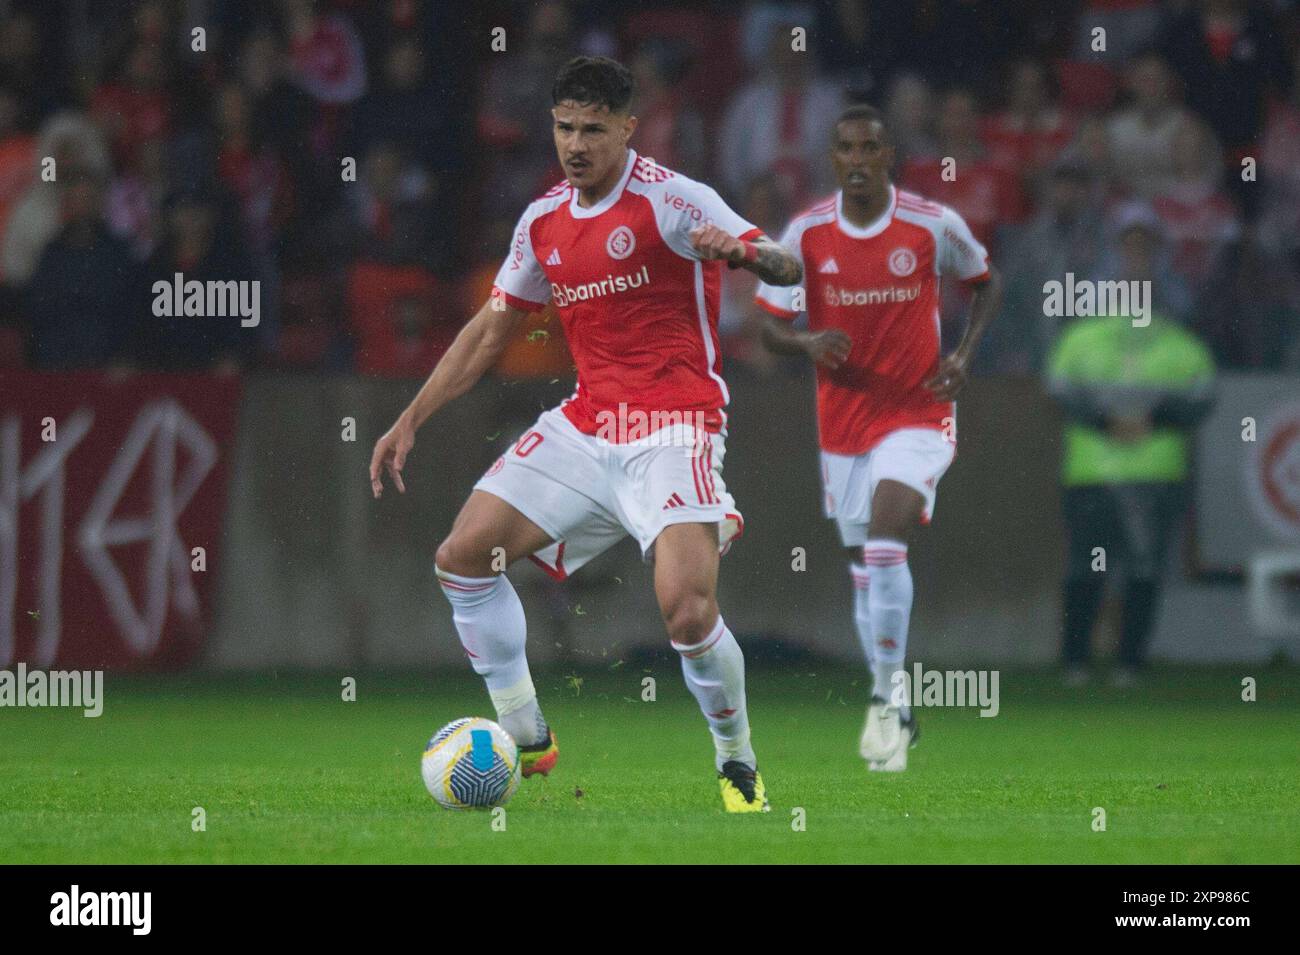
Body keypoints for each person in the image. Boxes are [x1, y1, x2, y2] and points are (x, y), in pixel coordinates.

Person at [368, 57, 801, 812]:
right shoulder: (542, 221)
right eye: (565, 127)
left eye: (593, 130)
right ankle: (526, 734)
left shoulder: (672, 200)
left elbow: (789, 268)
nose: (576, 144)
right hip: (586, 423)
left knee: (689, 612)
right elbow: (489, 331)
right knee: (463, 558)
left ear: (628, 130)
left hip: (674, 427)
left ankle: (737, 763)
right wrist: (411, 417)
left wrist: (744, 254)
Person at [755, 104, 1002, 772]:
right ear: (831, 160)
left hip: (918, 414)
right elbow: (769, 322)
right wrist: (804, 338)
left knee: (887, 538)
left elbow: (985, 282)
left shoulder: (930, 224)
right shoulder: (805, 234)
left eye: (870, 147)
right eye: (845, 149)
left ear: (889, 154)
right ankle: (890, 694)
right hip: (842, 425)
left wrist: (964, 356)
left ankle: (887, 701)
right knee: (864, 572)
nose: (858, 159)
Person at [1046, 307, 1216, 687]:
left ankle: (1129, 664)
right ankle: (1076, 662)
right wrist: (1110, 422)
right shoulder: (1082, 340)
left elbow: (1203, 400)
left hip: (1152, 475)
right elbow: (1059, 393)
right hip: (1094, 475)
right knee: (1089, 570)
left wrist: (1151, 420)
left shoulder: (1181, 345)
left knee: (1142, 572)